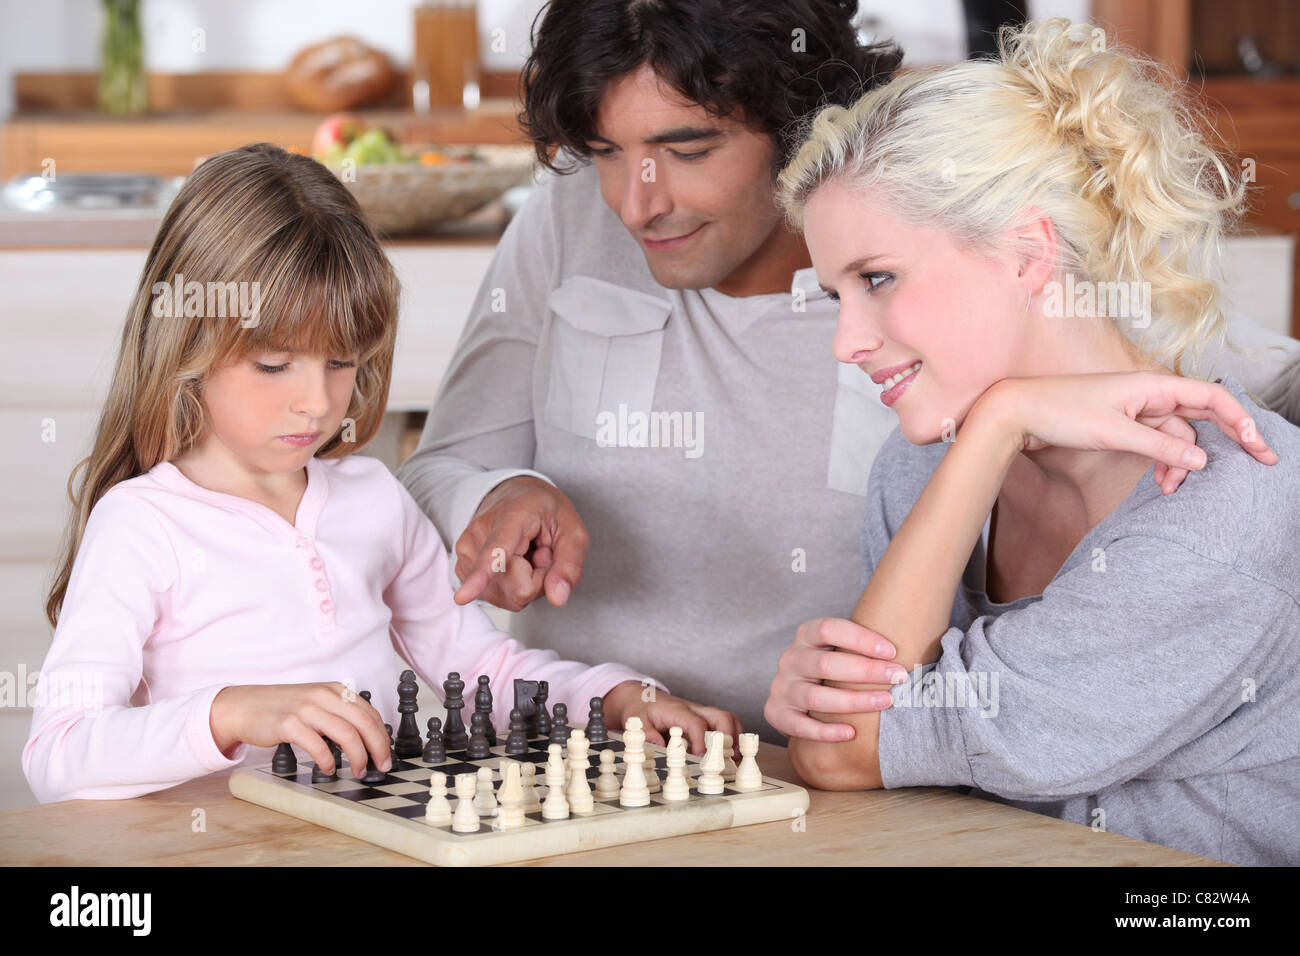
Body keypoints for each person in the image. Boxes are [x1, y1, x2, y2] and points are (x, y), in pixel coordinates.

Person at [397, 0, 1300, 743]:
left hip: (846, 780)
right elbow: (440, 468)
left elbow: (1203, 362)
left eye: (690, 150)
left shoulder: (946, 235)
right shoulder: (567, 221)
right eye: (603, 153)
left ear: (793, 124)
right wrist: (500, 494)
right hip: (594, 753)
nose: (639, 203)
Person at [24, 143, 736, 804]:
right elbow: (59, 752)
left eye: (342, 362)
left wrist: (616, 698)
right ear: (187, 340)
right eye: (274, 364)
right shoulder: (143, 524)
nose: (318, 401)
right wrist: (231, 711)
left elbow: (482, 667)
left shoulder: (372, 498)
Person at [765, 19, 1300, 865]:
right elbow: (853, 738)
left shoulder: (1224, 510)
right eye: (836, 294)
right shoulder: (922, 466)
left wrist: (1002, 422)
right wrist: (996, 428)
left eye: (877, 279)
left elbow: (842, 745)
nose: (846, 341)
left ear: (1027, 253)